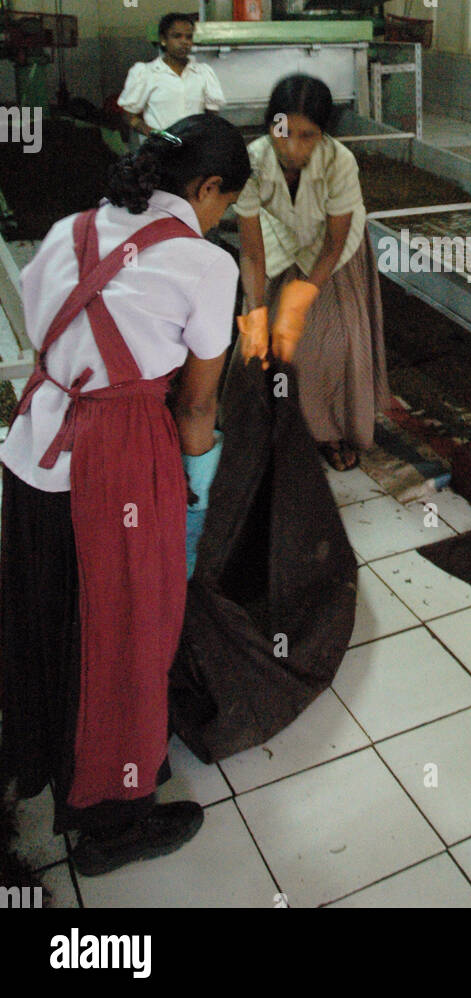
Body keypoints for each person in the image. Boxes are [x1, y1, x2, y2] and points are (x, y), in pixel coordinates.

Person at [0, 115, 250, 876]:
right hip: (117, 462)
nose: (220, 221)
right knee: (124, 632)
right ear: (207, 189)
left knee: (47, 615)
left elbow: (47, 340)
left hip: (31, 453)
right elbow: (197, 406)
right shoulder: (206, 267)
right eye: (224, 205)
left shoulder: (68, 230)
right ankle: (111, 824)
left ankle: (40, 761)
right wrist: (198, 487)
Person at [231, 73, 389, 472]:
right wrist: (256, 311)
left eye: (307, 135)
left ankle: (331, 431)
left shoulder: (339, 162)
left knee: (333, 345)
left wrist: (299, 302)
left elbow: (334, 244)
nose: (292, 147)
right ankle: (268, 432)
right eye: (282, 131)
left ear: (323, 134)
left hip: (333, 254)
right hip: (279, 244)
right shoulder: (250, 161)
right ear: (270, 124)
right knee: (258, 349)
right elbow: (250, 252)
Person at [118, 12, 226, 137]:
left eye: (189, 37)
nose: (184, 42)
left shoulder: (203, 73)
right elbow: (128, 115)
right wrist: (157, 135)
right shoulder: (146, 73)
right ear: (163, 40)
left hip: (194, 148)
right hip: (161, 151)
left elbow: (212, 115)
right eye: (177, 36)